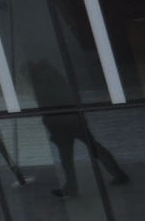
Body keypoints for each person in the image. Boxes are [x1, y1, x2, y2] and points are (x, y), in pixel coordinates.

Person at [25, 61, 129, 197]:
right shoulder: (54, 78)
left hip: (60, 124)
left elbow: (47, 105)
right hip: (73, 119)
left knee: (67, 157)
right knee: (93, 148)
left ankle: (71, 186)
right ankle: (117, 174)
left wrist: (50, 123)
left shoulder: (41, 83)